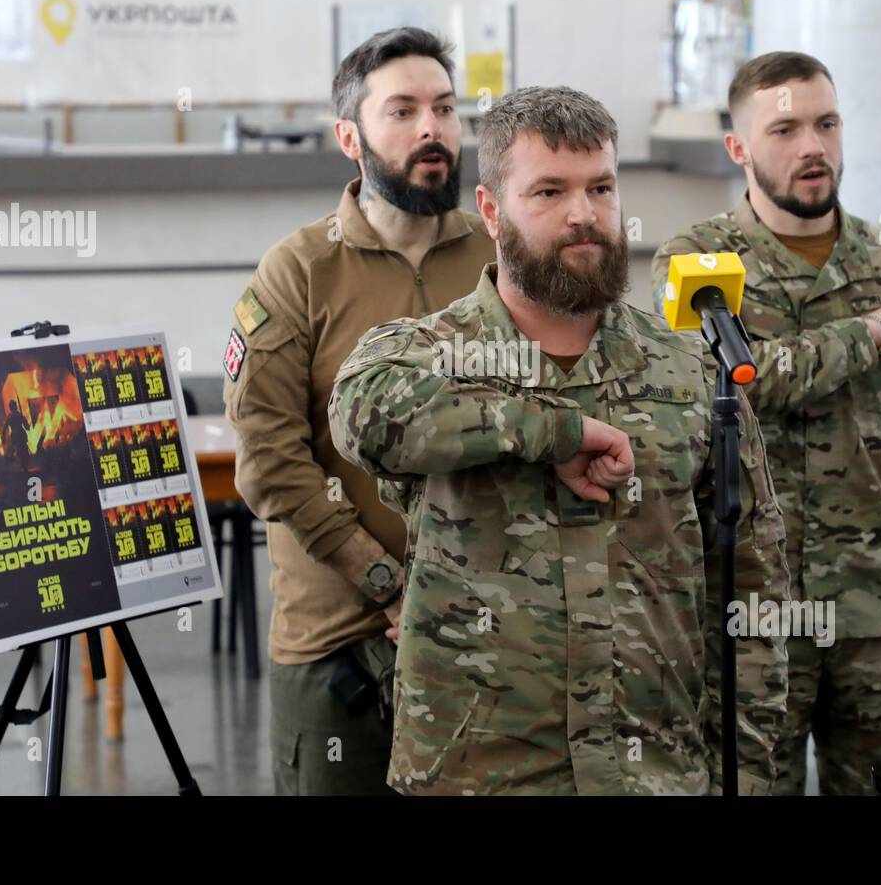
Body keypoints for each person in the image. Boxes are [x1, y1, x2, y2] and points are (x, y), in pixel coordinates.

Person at [329, 85, 790, 795]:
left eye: (600, 187)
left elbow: (753, 588)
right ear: (490, 210)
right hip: (478, 777)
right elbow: (361, 414)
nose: (583, 215)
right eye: (548, 192)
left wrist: (749, 775)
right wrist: (552, 433)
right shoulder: (429, 353)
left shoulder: (693, 371)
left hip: (655, 776)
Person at [652, 51, 881, 795]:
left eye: (827, 124)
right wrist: (864, 335)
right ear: (738, 148)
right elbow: (717, 387)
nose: (813, 147)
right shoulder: (694, 261)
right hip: (746, 621)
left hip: (879, 616)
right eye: (786, 129)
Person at [222, 27, 496, 795]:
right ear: (350, 137)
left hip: (488, 630)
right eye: (402, 111)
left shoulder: (499, 259)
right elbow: (271, 461)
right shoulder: (298, 272)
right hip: (341, 643)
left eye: (444, 108)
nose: (432, 129)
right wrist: (383, 579)